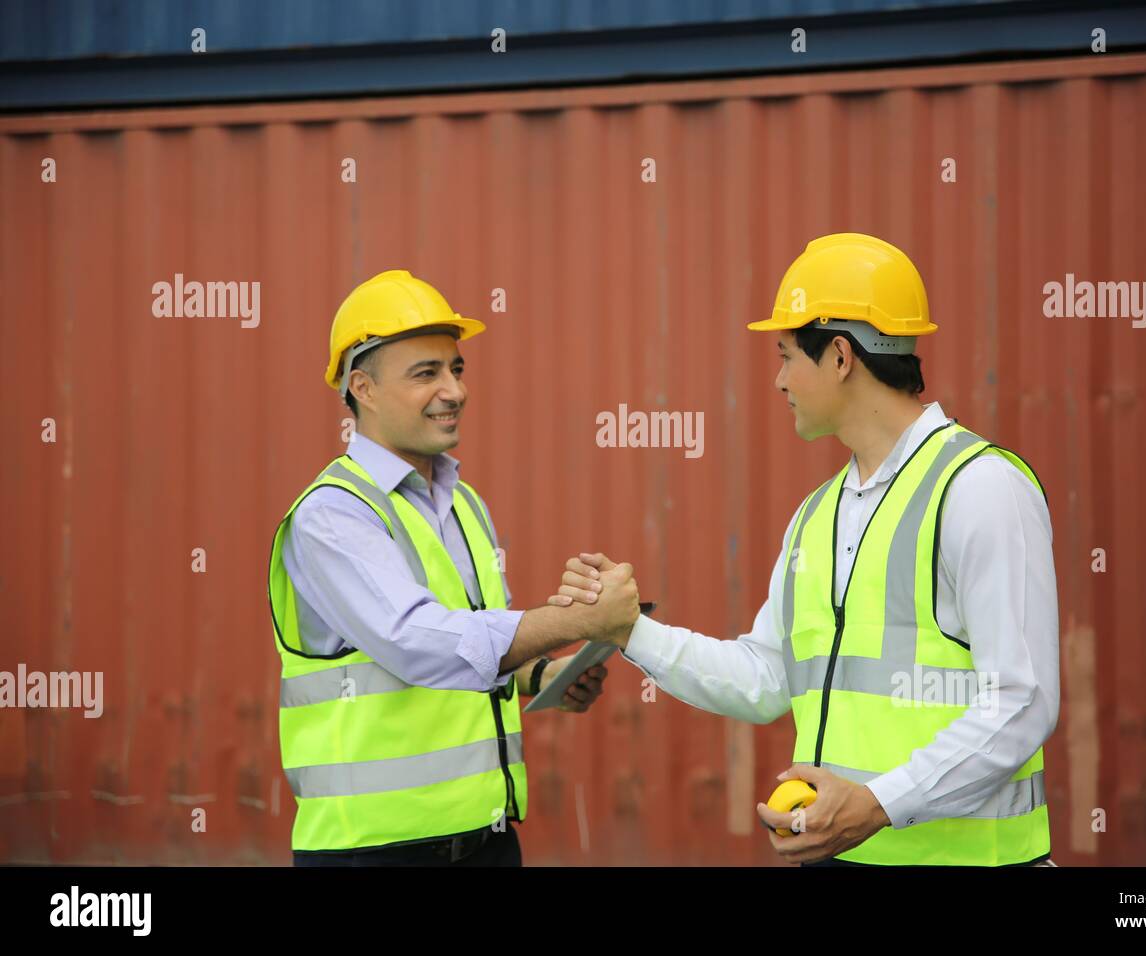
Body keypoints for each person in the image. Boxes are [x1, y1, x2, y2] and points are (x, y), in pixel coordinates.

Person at [550, 235, 1060, 866]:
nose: (778, 379)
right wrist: (628, 630)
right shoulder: (817, 516)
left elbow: (1022, 703)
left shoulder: (981, 489)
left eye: (787, 356)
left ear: (841, 356)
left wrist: (875, 804)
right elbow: (767, 681)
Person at [268, 270, 640, 866]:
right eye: (426, 374)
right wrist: (576, 620)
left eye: (456, 369)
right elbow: (420, 645)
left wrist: (541, 676)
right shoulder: (332, 516)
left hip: (484, 838)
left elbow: (477, 643)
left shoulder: (462, 503)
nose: (454, 390)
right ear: (361, 387)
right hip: (374, 851)